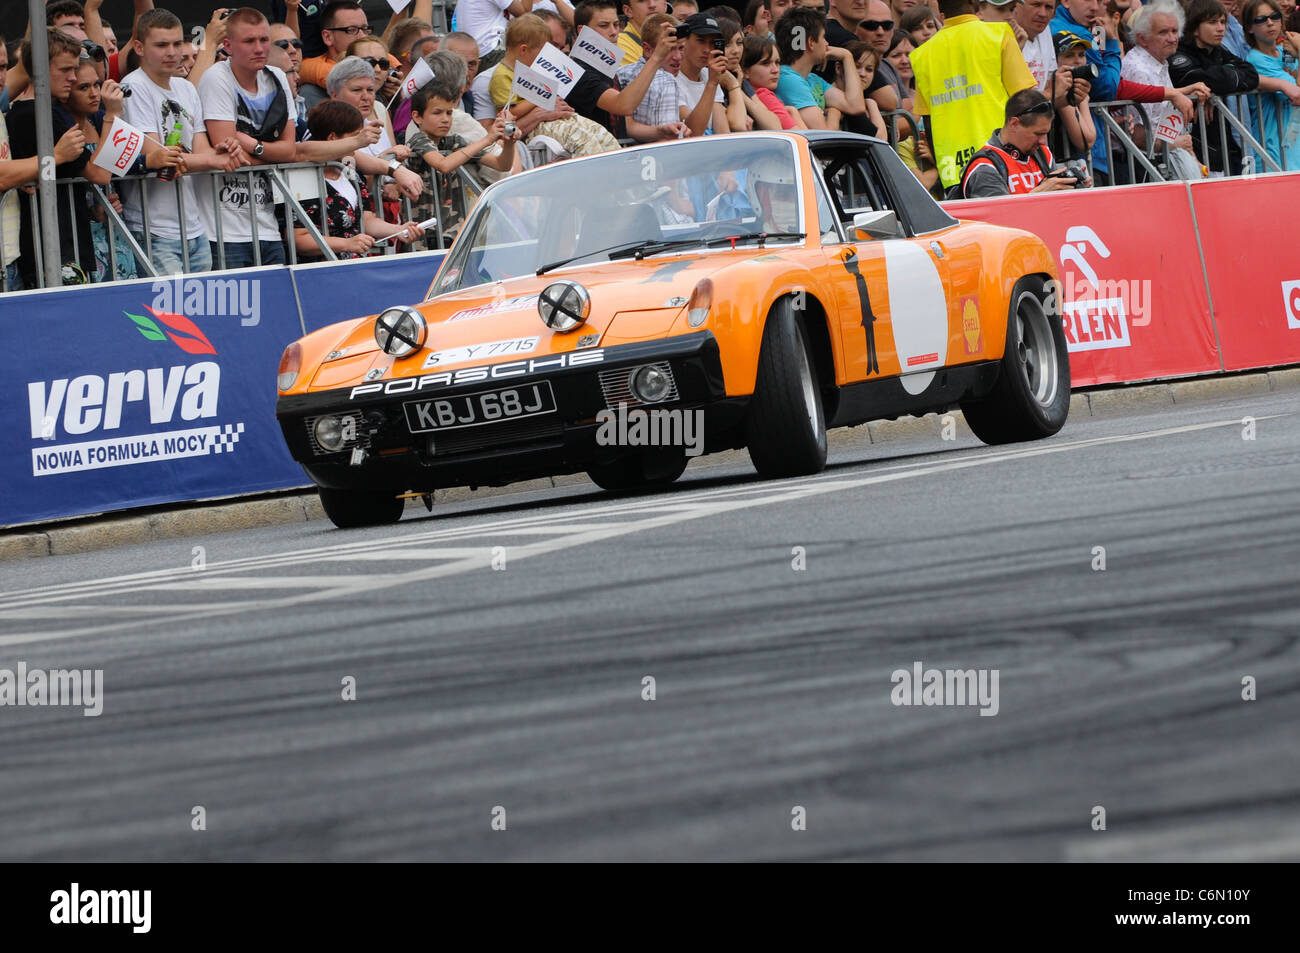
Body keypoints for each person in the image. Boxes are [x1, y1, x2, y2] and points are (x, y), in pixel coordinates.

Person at [119, 8, 247, 276]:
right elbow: (157, 155)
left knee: (198, 313)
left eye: (177, 43)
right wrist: (214, 158)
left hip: (193, 225)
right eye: (161, 45)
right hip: (152, 228)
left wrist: (221, 150)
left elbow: (199, 151)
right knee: (169, 316)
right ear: (139, 47)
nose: (172, 52)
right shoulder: (133, 87)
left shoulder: (186, 88)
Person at [910, 0, 1036, 191]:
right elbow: (1024, 99)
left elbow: (928, 121)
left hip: (953, 172)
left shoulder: (922, 54)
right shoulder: (998, 34)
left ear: (940, 9)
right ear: (976, 1)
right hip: (1002, 160)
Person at [7, 30, 96, 287]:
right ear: (41, 68)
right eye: (66, 69)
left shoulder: (20, 112)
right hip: (56, 244)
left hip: (53, 241)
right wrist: (112, 115)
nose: (73, 76)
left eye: (75, 68)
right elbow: (99, 174)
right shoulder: (44, 115)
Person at [296, 101, 423, 259]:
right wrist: (346, 244)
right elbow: (298, 238)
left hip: (354, 266)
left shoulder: (350, 171)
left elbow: (366, 220)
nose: (359, 145)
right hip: (320, 271)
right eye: (356, 137)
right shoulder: (302, 178)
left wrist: (398, 230)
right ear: (332, 137)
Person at [406, 81, 517, 246]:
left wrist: (509, 141)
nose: (445, 119)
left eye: (449, 113)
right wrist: (487, 139)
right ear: (417, 117)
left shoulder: (454, 141)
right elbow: (443, 164)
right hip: (423, 233)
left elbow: (502, 165)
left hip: (454, 231)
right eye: (437, 113)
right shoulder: (418, 139)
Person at [1168, 0, 1260, 174]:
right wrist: (1220, 79)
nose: (1220, 28)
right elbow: (1199, 78)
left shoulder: (1218, 50)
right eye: (1212, 22)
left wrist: (1213, 88)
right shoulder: (1179, 53)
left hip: (1223, 148)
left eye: (1223, 22)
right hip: (1194, 151)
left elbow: (1251, 75)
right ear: (1194, 28)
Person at [959, 87, 1092, 195]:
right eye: (1038, 134)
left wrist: (1071, 189)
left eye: (1046, 133)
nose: (1043, 142)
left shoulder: (1042, 153)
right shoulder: (985, 168)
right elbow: (998, 222)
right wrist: (1039, 194)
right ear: (1014, 124)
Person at [1123, 0, 1204, 178]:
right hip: (1145, 167)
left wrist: (1192, 157)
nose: (1172, 38)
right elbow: (1137, 135)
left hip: (1163, 161)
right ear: (1142, 38)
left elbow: (1162, 117)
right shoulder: (1139, 69)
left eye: (1174, 31)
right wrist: (1176, 143)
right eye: (1163, 32)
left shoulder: (1158, 60)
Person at [774, 7, 868, 129]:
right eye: (823, 37)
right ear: (811, 42)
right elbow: (824, 135)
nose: (827, 44)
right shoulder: (788, 79)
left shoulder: (812, 78)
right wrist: (834, 113)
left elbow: (855, 106)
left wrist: (847, 57)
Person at [1243, 0, 1300, 168]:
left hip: (1293, 146)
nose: (1270, 23)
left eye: (1274, 17)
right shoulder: (1255, 59)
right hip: (1273, 150)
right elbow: (1297, 94)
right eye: (1261, 19)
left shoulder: (1284, 52)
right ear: (1249, 28)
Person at [617, 13, 690, 141]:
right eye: (670, 48)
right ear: (647, 49)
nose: (678, 57)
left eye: (681, 48)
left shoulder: (619, 73)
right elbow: (669, 142)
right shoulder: (666, 80)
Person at [300, 1, 371, 108]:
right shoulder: (311, 93)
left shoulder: (379, 70)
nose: (362, 37)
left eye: (365, 29)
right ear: (328, 37)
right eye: (351, 30)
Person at [1050, 31, 1098, 159]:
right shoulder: (1060, 90)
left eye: (1081, 55)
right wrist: (1083, 100)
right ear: (1055, 60)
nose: (1077, 61)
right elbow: (1086, 141)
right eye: (1069, 55)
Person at [742, 34, 805, 128]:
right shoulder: (763, 95)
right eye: (766, 63)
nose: (775, 70)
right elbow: (801, 136)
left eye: (777, 62)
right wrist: (794, 114)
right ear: (745, 71)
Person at [1016, 0, 1059, 89]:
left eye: (1048, 7)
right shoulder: (1001, 33)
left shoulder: (1045, 30)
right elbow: (1017, 97)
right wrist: (1050, 95)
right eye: (1036, 5)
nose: (1043, 14)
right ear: (1016, 5)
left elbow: (1048, 83)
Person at [619, 0, 668, 64]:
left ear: (665, 5)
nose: (652, 5)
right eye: (642, 0)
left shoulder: (679, 38)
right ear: (628, 11)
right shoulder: (620, 44)